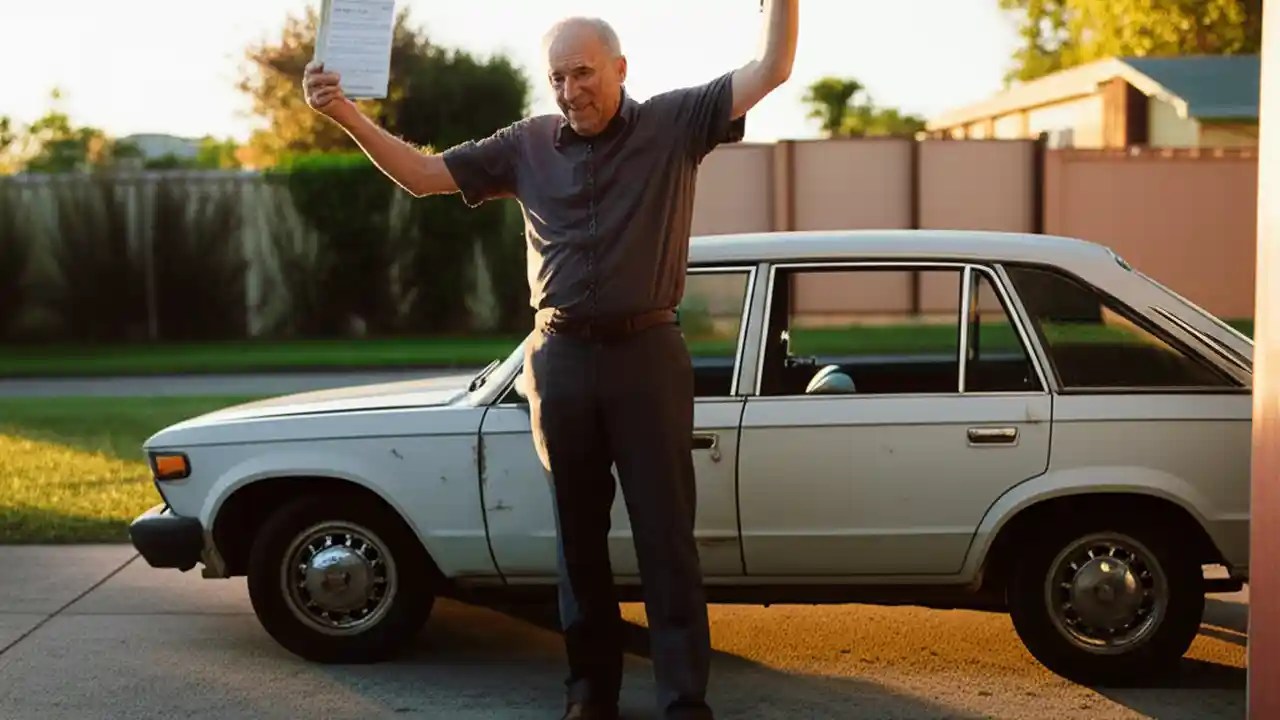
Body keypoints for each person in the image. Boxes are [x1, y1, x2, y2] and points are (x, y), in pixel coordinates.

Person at [303, 4, 798, 718]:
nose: (571, 90)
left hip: (648, 356)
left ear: (620, 69)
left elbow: (771, 69)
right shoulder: (524, 145)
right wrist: (345, 113)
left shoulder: (673, 123)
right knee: (578, 539)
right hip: (561, 358)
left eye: (584, 73)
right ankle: (589, 692)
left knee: (667, 540)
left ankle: (684, 699)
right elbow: (421, 176)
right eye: (558, 77)